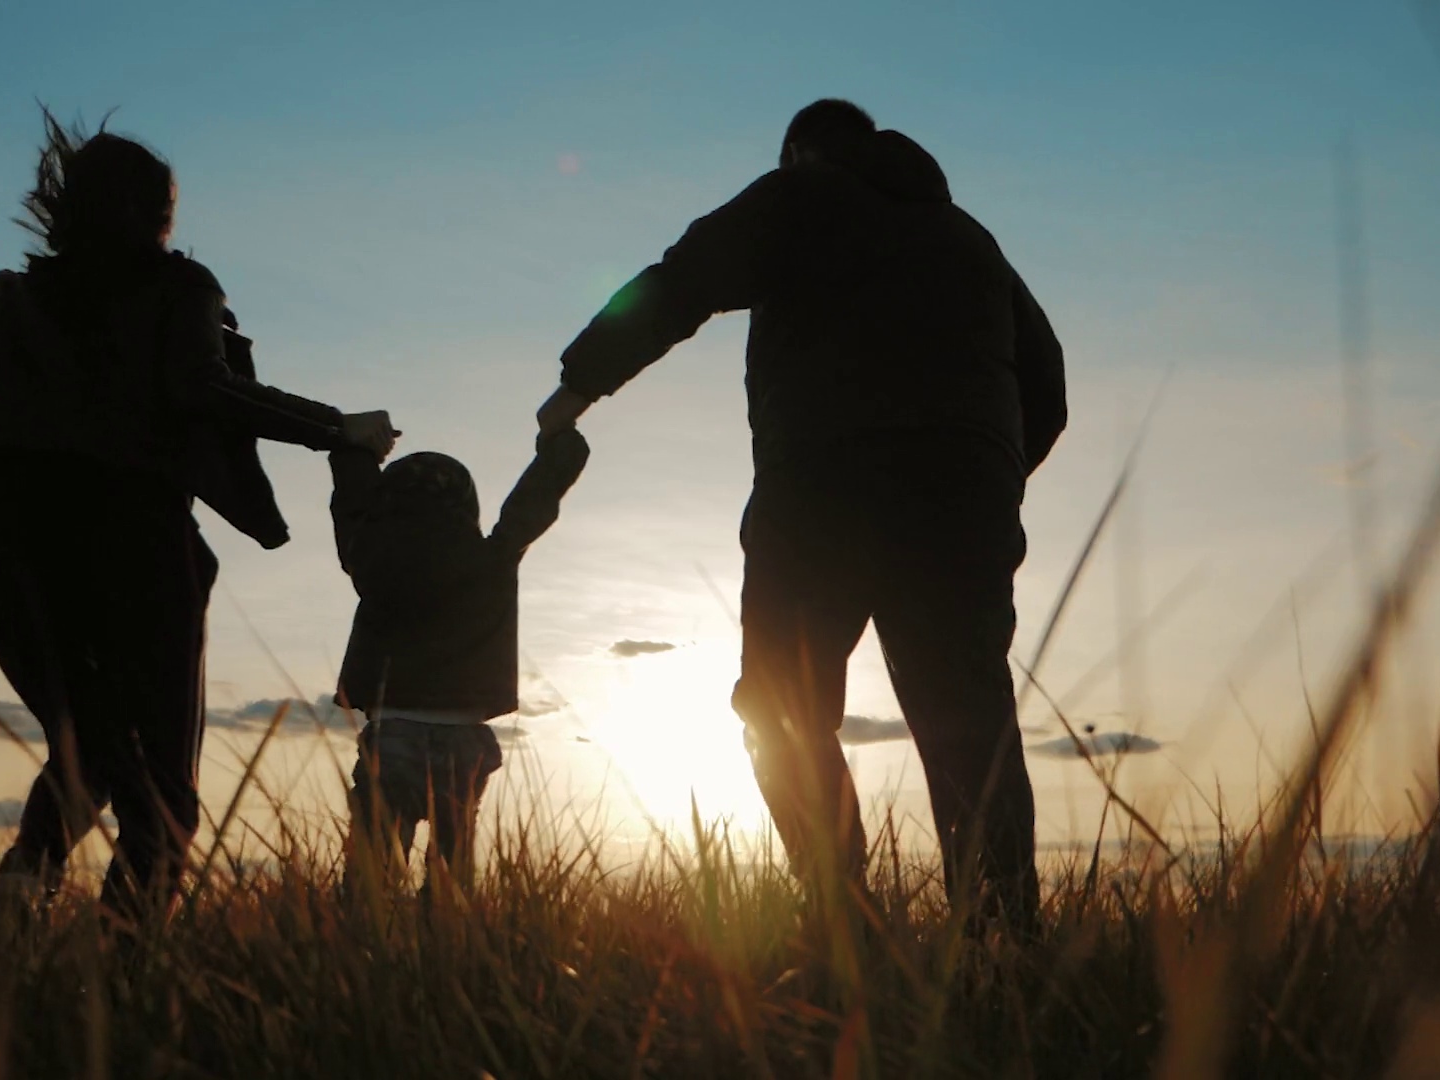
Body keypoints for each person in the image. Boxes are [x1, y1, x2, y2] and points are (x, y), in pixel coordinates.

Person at [535, 99, 1066, 932]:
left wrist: (580, 382)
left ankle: (842, 916)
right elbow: (1048, 388)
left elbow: (687, 277)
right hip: (963, 500)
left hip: (824, 483)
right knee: (966, 716)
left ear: (799, 152)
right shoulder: (972, 240)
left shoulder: (799, 195)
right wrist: (988, 476)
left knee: (780, 706)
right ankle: (1006, 939)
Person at [0, 110, 400, 925]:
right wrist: (338, 427)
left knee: (88, 750)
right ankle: (126, 977)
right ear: (159, 215)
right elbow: (203, 385)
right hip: (138, 552)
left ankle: (22, 887)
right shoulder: (181, 287)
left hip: (14, 556)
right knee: (162, 788)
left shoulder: (15, 299)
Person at [328, 426, 590, 894]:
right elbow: (531, 505)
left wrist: (357, 453)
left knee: (372, 872)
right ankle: (449, 955)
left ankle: (362, 956)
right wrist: (561, 447)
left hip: (394, 730)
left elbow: (353, 508)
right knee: (453, 875)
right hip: (465, 734)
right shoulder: (493, 556)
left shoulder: (368, 556)